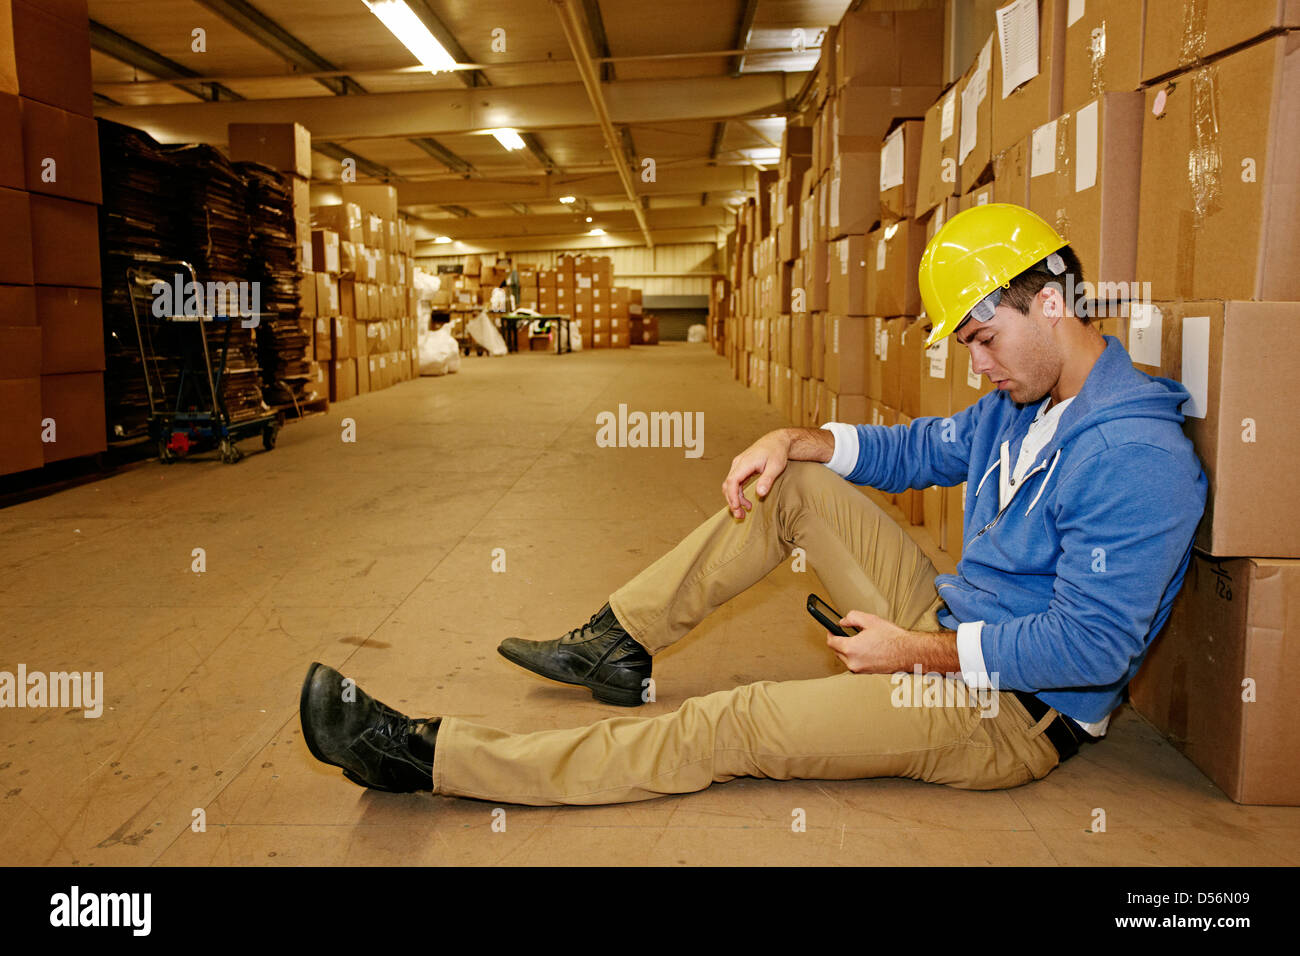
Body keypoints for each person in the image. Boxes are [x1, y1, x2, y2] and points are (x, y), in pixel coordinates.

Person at [299, 204, 1207, 803]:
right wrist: (796, 439)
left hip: (1005, 708)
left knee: (731, 724)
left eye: (983, 339)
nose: (977, 365)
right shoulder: (1030, 399)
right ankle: (619, 639)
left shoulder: (1135, 456)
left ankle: (432, 756)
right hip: (952, 622)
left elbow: (1092, 648)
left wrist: (917, 656)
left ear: (1050, 303)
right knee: (797, 485)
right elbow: (923, 448)